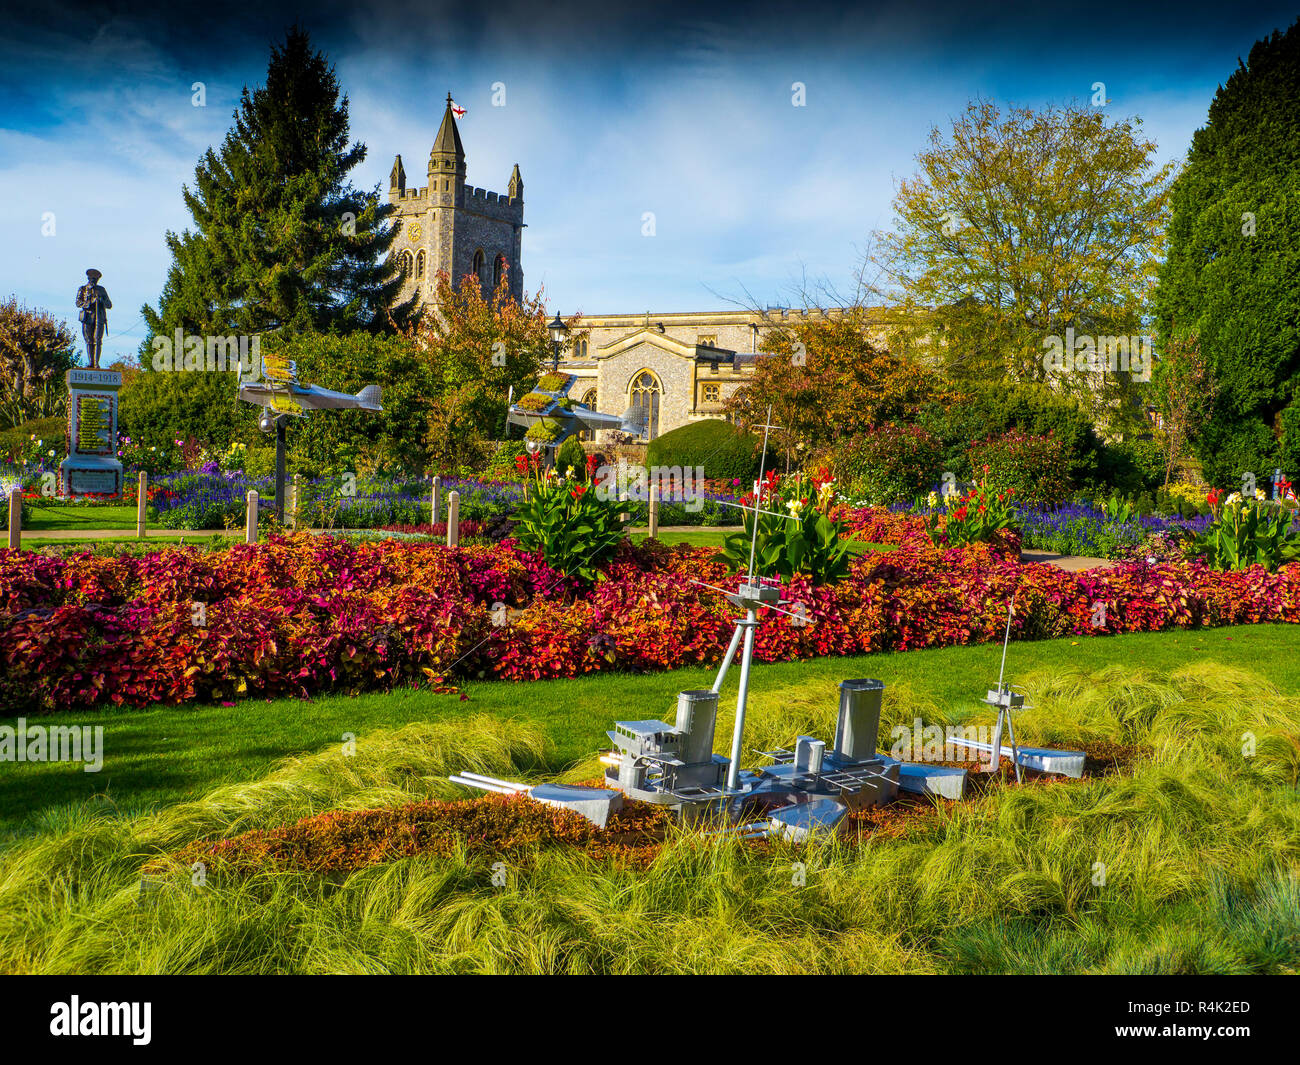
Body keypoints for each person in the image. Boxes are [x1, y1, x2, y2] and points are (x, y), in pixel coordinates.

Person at [75, 268, 111, 369]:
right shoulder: (82, 289)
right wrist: (90, 302)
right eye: (93, 279)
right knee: (89, 340)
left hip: (99, 317)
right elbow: (78, 303)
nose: (94, 282)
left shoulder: (101, 290)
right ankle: (91, 362)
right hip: (88, 318)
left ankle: (96, 363)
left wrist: (102, 300)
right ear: (89, 279)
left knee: (97, 340)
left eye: (96, 280)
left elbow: (109, 304)